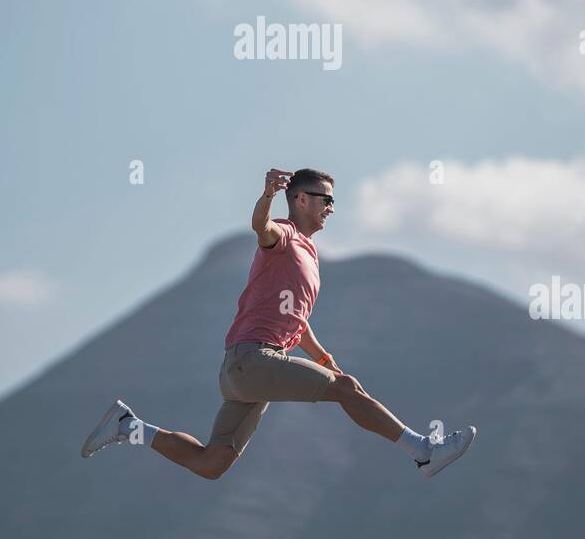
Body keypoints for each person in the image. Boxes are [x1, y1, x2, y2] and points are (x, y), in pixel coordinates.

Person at [81, 167, 476, 480]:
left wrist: (323, 358)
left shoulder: (308, 253)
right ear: (300, 199)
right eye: (326, 199)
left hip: (246, 372)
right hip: (252, 361)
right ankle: (423, 452)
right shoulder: (284, 235)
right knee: (347, 389)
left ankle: (128, 425)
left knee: (212, 464)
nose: (332, 207)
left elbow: (297, 323)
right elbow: (260, 227)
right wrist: (267, 194)